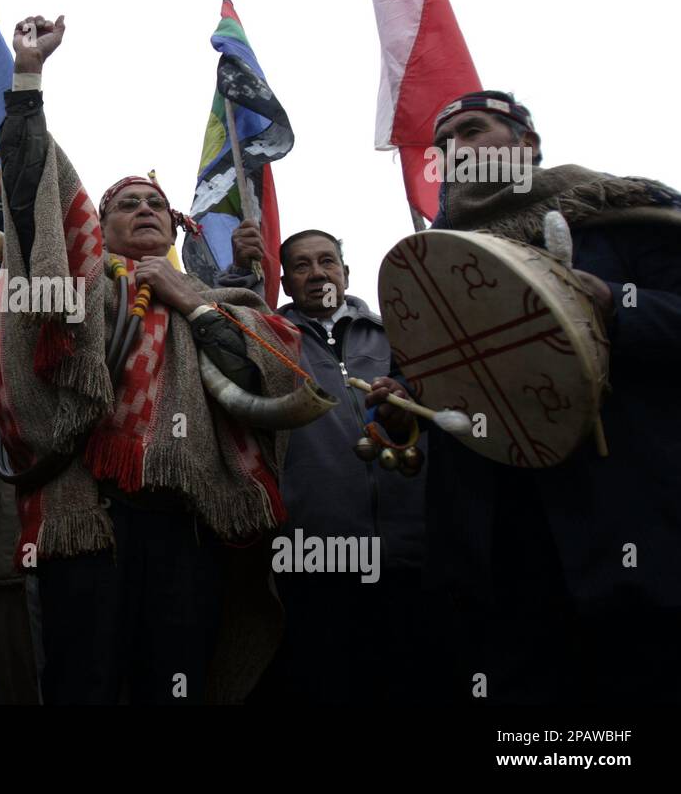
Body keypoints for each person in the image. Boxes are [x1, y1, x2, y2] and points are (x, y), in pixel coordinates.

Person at [0, 16, 310, 704]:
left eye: (155, 205)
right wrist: (28, 79)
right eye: (124, 204)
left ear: (174, 229)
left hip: (191, 529)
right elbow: (31, 201)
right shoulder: (79, 286)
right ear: (96, 230)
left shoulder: (226, 300)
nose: (143, 210)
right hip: (89, 517)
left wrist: (189, 302)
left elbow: (268, 379)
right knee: (86, 685)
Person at [421, 90, 681, 704]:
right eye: (445, 140)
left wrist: (615, 302)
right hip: (500, 559)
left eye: (475, 128)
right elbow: (444, 381)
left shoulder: (622, 214)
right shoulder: (439, 265)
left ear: (527, 145)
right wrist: (405, 402)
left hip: (632, 534)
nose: (457, 146)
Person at [255, 228, 443, 704]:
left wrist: (404, 407)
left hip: (409, 550)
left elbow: (438, 411)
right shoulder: (269, 338)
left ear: (345, 271)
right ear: (285, 280)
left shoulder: (398, 334)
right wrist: (241, 271)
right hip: (316, 555)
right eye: (301, 265)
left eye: (327, 261)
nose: (317, 272)